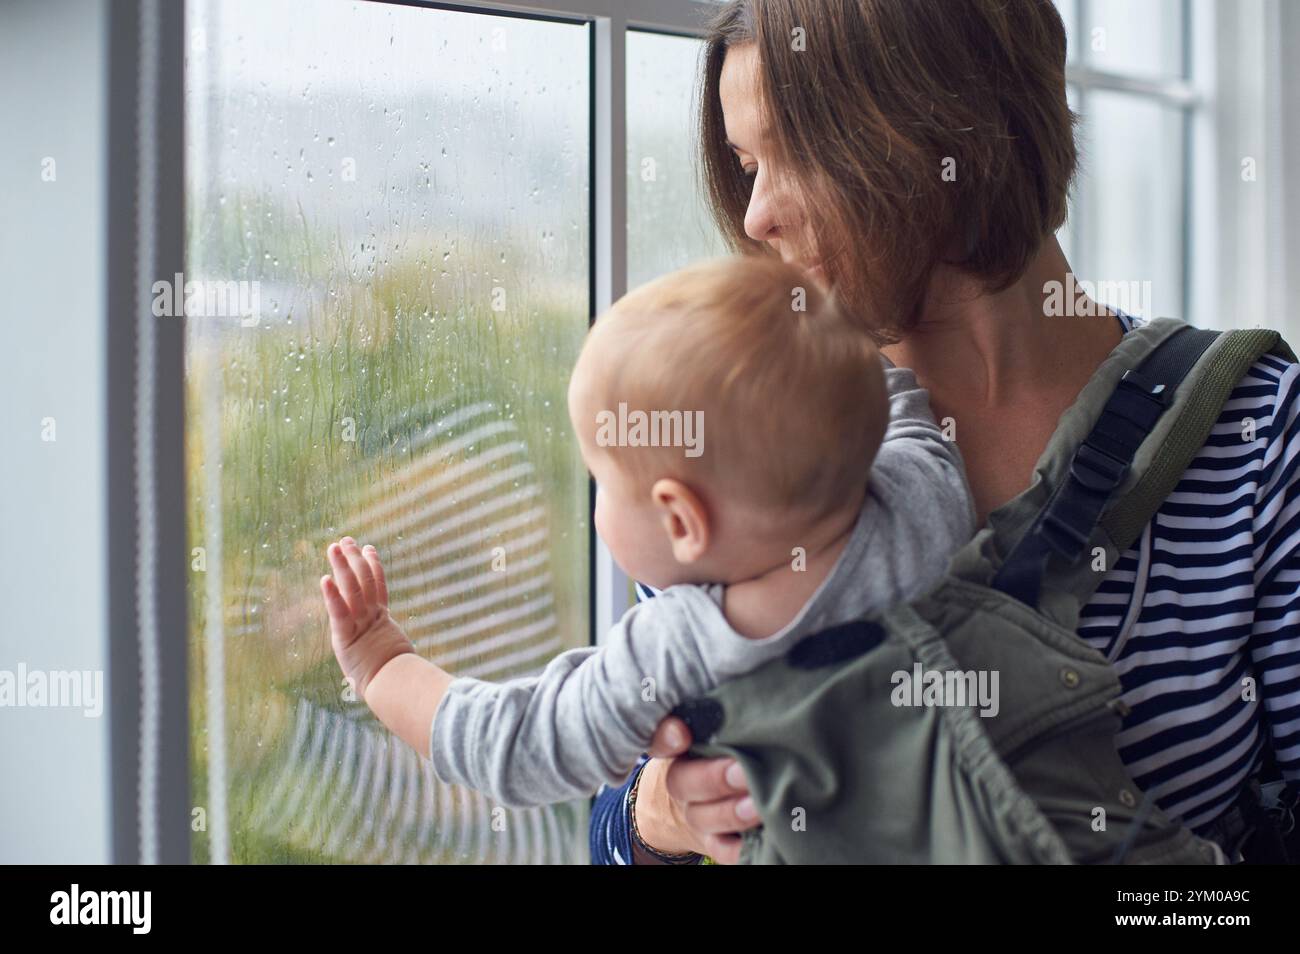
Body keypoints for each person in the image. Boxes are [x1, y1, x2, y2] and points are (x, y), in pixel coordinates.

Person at [593, 0, 1300, 865]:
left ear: (948, 128)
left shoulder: (1258, 436)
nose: (755, 217)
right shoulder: (741, 428)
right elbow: (616, 810)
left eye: (799, 154)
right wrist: (659, 815)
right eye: (747, 165)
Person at [317, 254, 972, 813]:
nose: (594, 502)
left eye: (602, 480)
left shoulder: (684, 644)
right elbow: (894, 399)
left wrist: (381, 662)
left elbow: (517, 747)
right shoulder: (926, 498)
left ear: (682, 521)